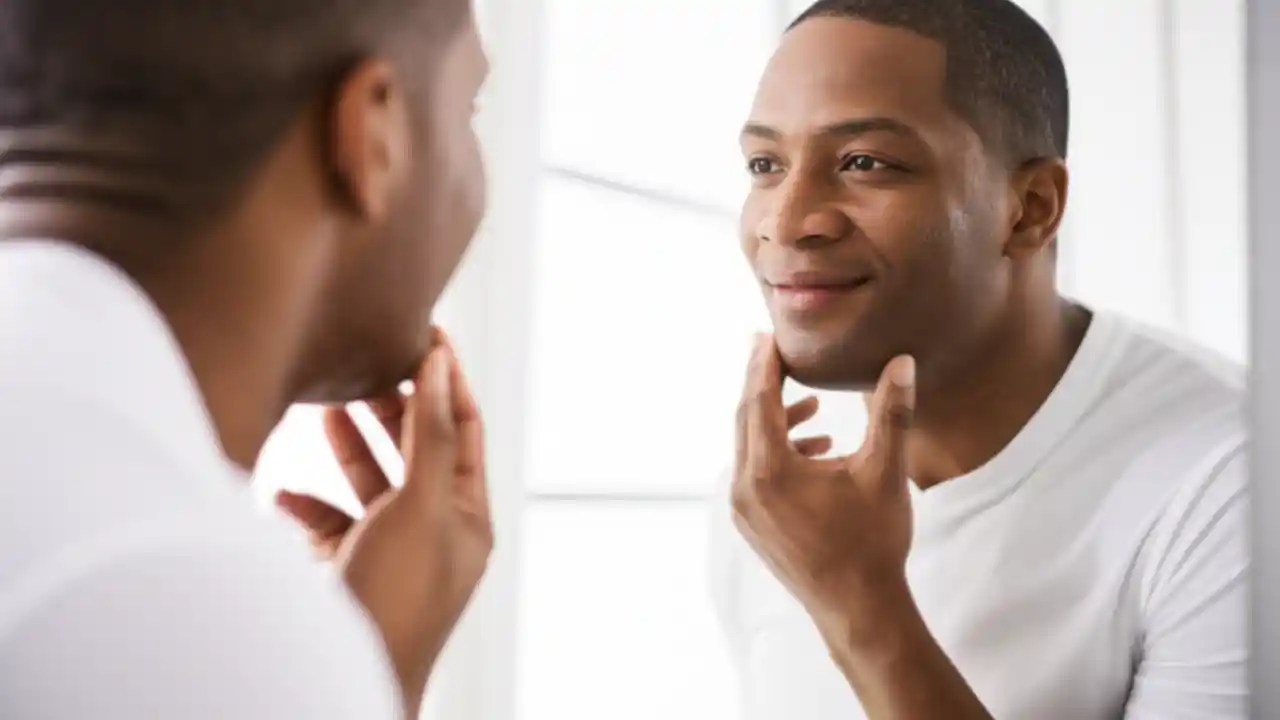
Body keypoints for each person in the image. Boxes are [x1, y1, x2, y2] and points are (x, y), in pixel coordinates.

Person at [711, 0, 1249, 718]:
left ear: (1029, 208)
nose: (786, 220)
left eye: (864, 162)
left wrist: (861, 606)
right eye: (765, 164)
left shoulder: (1233, 485)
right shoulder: (775, 491)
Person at [0, 0, 492, 717]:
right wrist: (345, 674)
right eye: (469, 109)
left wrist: (354, 653)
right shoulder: (183, 599)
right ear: (373, 133)